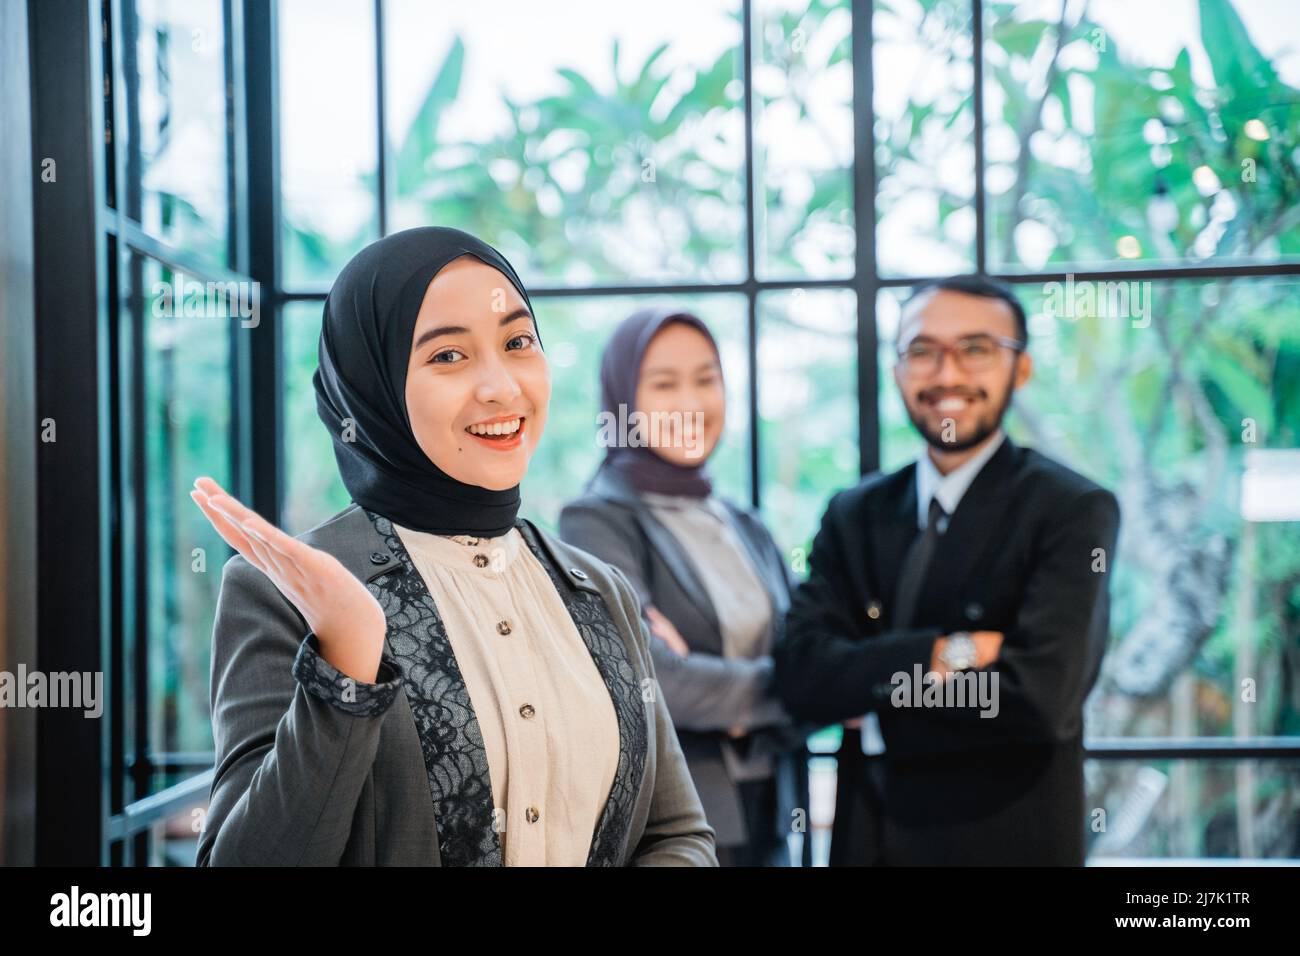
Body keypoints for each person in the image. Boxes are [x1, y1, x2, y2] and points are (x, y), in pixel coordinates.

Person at [191, 227, 716, 866]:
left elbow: (678, 835)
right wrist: (347, 659)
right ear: (371, 386)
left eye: (518, 342)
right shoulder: (282, 592)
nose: (501, 387)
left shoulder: (597, 588)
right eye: (447, 356)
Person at [774, 274, 1121, 866]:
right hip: (866, 843)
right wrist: (952, 652)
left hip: (1000, 846)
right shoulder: (854, 511)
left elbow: (1038, 698)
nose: (947, 374)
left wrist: (872, 696)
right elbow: (802, 676)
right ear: (897, 369)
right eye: (922, 351)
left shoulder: (1071, 509)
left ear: (1022, 368)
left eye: (977, 349)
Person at [560, 308, 816, 867]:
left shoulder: (745, 525)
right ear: (623, 396)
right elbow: (654, 683)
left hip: (773, 809)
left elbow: (818, 653)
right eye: (664, 383)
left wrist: (743, 699)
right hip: (680, 827)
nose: (691, 402)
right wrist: (797, 690)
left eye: (706, 379)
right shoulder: (595, 522)